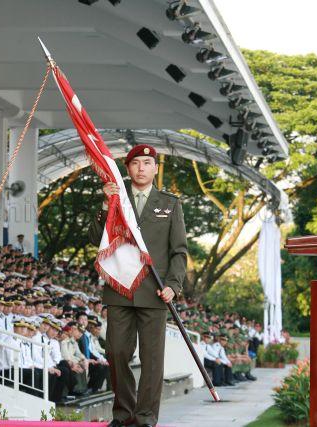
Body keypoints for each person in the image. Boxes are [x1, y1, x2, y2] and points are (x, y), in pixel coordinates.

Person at [89, 144, 188, 427]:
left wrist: (173, 285)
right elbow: (95, 239)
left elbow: (178, 251)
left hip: (155, 292)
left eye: (147, 163)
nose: (141, 168)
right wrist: (105, 205)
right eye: (135, 163)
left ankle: (145, 418)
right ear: (128, 169)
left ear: (155, 168)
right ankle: (123, 414)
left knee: (152, 359)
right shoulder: (116, 200)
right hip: (120, 289)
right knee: (117, 352)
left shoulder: (170, 203)